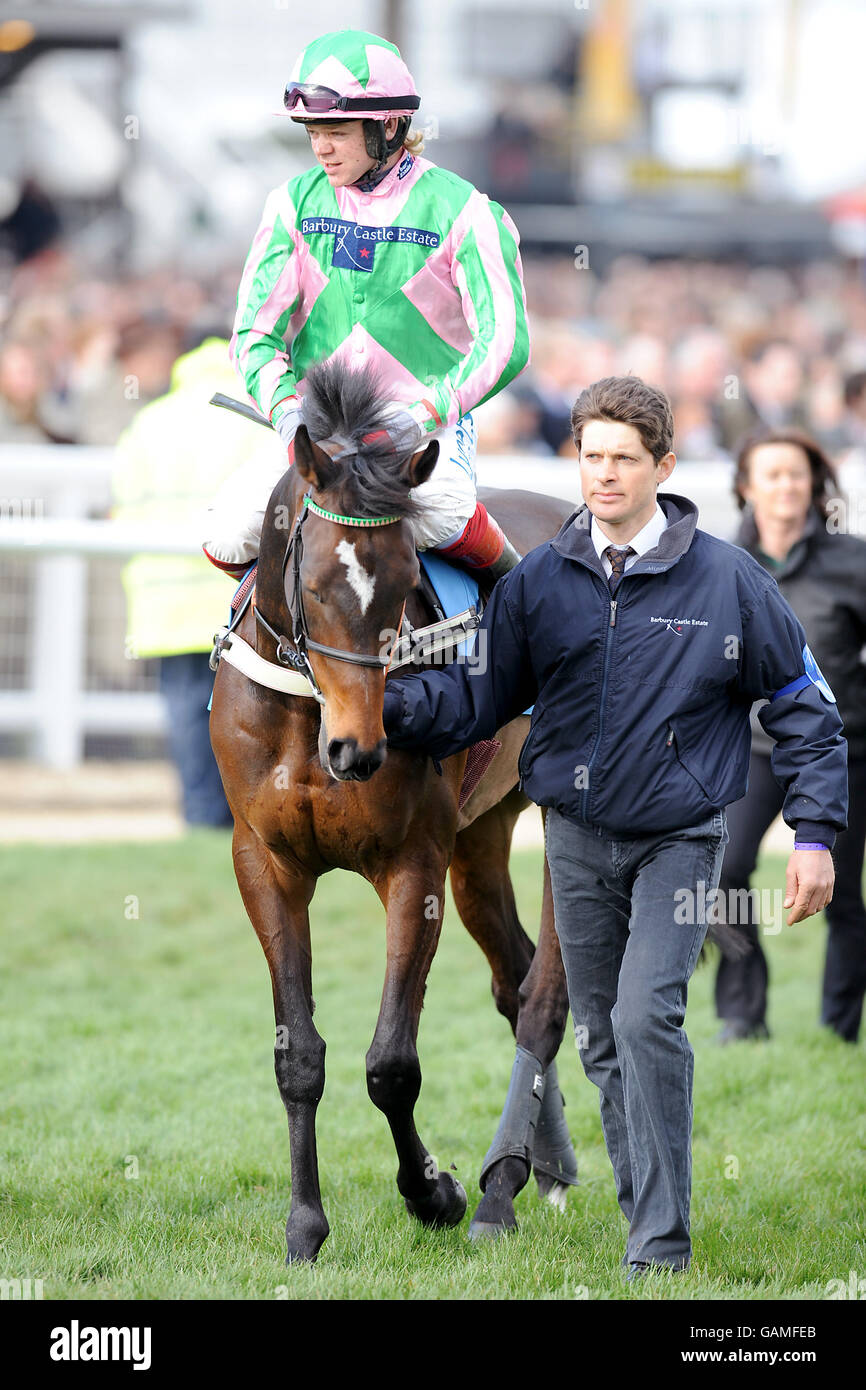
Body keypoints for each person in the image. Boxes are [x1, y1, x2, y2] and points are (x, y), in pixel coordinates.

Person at [380, 375, 847, 1276]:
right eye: (590, 456)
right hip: (576, 839)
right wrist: (382, 706)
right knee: (597, 1036)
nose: (603, 475)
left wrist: (817, 836)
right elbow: (479, 696)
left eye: (622, 460)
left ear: (662, 466)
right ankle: (647, 1218)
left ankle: (661, 1250)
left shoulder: (727, 578)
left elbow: (804, 705)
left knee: (644, 1019)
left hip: (681, 839)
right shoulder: (542, 579)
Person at [204, 27, 529, 584]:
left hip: (422, 426)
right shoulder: (289, 204)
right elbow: (252, 335)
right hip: (318, 429)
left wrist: (418, 419)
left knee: (444, 514)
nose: (320, 147)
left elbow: (505, 341)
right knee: (228, 531)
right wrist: (289, 419)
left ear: (389, 125)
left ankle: (520, 601)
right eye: (313, 132)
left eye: (336, 131)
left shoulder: (469, 212)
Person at [714, 428, 866, 1043]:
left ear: (814, 485)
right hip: (751, 749)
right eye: (772, 474)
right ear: (747, 487)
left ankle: (839, 1027)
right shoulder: (721, 563)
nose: (787, 486)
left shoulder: (851, 560)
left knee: (846, 893)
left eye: (797, 474)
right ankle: (743, 1017)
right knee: (725, 874)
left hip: (845, 750)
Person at [114, 333, 287, 827]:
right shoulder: (258, 419)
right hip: (238, 600)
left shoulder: (149, 420)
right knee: (250, 717)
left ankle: (199, 819)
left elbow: (120, 508)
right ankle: (249, 824)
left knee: (188, 719)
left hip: (164, 605)